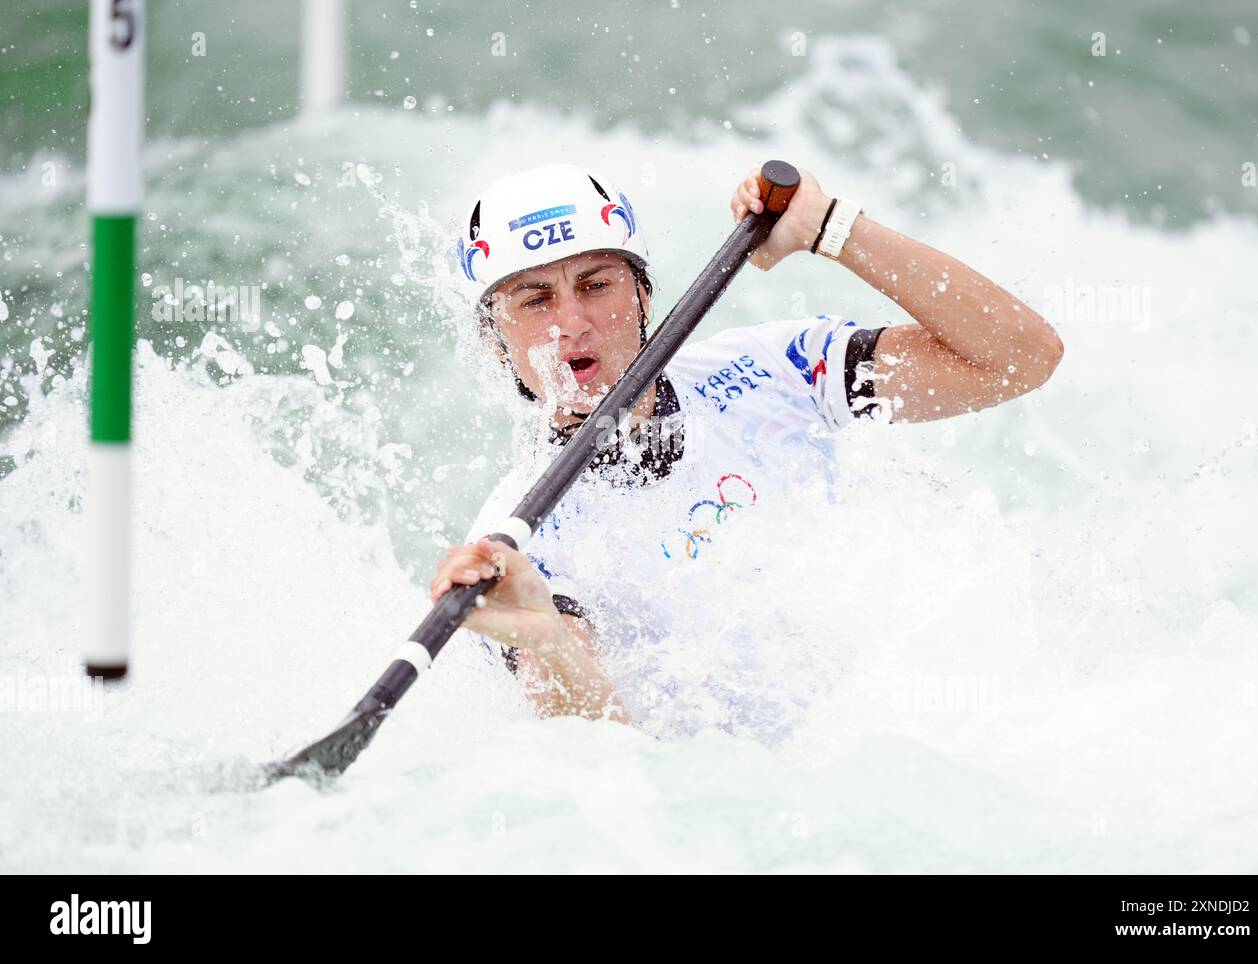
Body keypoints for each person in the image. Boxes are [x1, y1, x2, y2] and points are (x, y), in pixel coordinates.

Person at [433, 161, 1063, 739]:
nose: (572, 323)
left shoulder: (773, 369)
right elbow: (608, 752)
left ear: (644, 296)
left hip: (891, 743)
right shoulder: (512, 552)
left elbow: (1020, 359)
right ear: (496, 341)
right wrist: (546, 641)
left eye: (596, 285)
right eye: (536, 301)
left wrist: (834, 229)